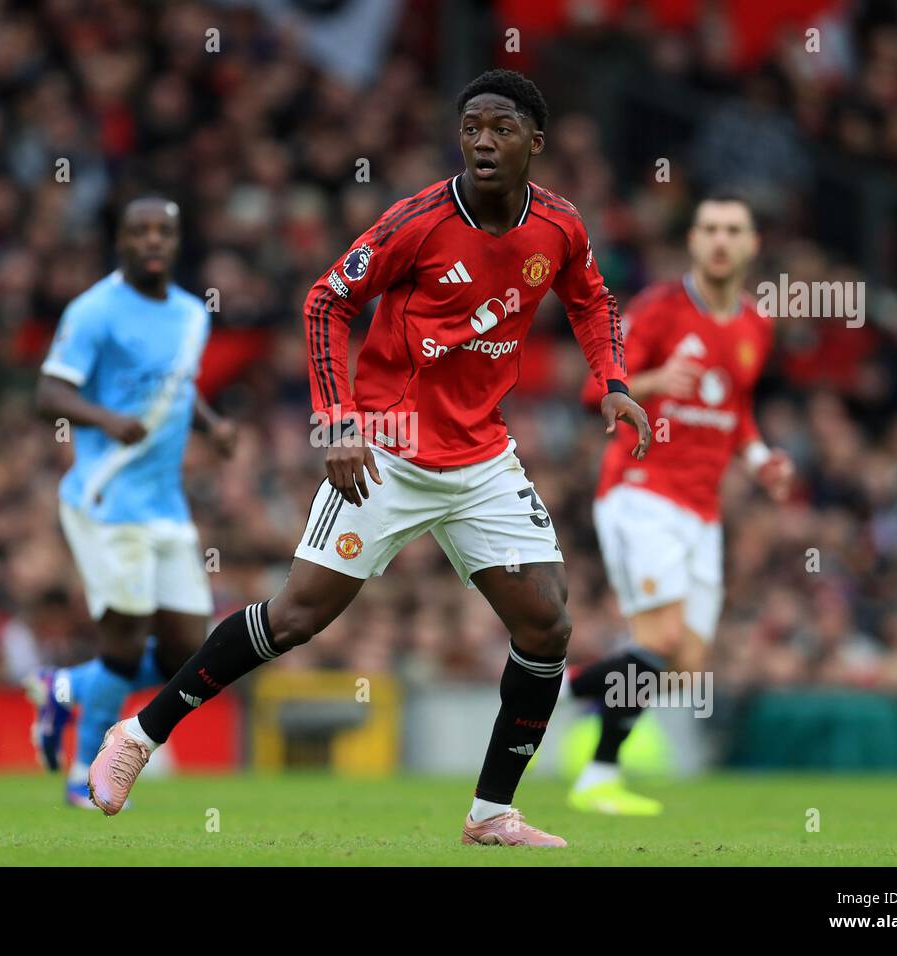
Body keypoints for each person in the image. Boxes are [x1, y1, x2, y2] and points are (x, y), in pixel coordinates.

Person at [88, 70, 650, 846]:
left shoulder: (560, 226)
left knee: (548, 627)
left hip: (482, 455)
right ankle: (137, 737)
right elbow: (327, 300)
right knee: (296, 618)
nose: (483, 141)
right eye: (471, 127)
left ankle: (491, 813)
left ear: (535, 143)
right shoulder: (417, 222)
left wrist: (613, 381)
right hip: (387, 447)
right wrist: (337, 424)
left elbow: (591, 299)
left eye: (500, 128)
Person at [563, 194, 792, 815]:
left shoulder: (755, 323)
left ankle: (563, 686)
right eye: (710, 229)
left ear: (751, 246)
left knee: (686, 666)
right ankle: (600, 777)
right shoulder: (658, 309)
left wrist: (760, 458)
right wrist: (658, 381)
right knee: (659, 637)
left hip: (702, 508)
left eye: (733, 230)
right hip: (641, 492)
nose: (720, 240)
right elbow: (594, 390)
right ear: (693, 241)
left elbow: (735, 409)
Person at [28, 196, 235, 807]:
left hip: (165, 505)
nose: (151, 241)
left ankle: (63, 689)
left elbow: (177, 386)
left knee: (188, 653)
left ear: (176, 241)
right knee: (122, 642)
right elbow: (48, 391)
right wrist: (106, 420)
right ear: (119, 241)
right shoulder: (94, 310)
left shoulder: (193, 314)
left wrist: (212, 424)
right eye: (138, 231)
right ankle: (82, 779)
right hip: (106, 497)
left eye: (162, 231)